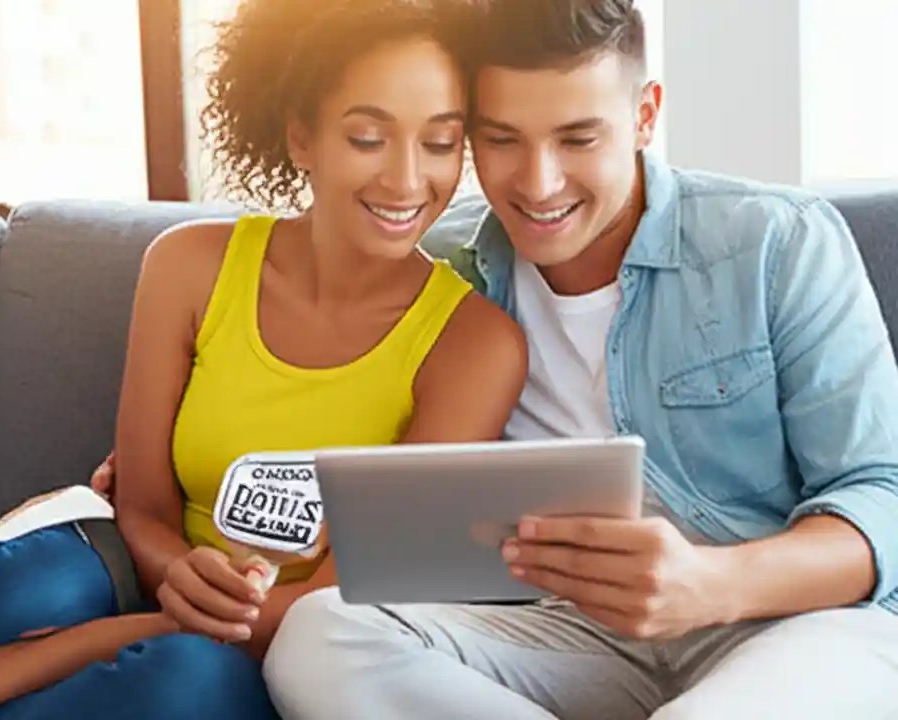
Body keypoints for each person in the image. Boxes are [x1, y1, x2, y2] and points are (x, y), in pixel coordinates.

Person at [0, 1, 527, 718]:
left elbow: (338, 606)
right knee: (25, 588)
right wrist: (174, 575)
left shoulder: (474, 346)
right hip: (142, 569)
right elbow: (140, 505)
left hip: (287, 642)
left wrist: (50, 658)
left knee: (182, 682)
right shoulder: (190, 266)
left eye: (441, 143)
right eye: (366, 136)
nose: (406, 177)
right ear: (301, 135)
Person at [252, 0, 898, 718]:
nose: (538, 183)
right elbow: (313, 377)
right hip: (564, 635)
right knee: (318, 636)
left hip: (788, 627)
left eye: (578, 139)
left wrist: (712, 583)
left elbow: (884, 494)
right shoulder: (443, 271)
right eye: (502, 140)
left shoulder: (776, 243)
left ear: (645, 115)